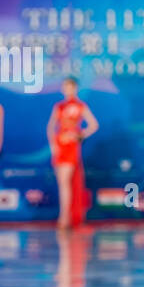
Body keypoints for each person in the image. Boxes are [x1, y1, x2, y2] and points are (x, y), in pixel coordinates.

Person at [47, 76, 97, 229]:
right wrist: (53, 146)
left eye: (71, 87)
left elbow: (93, 125)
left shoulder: (81, 106)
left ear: (75, 88)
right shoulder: (59, 107)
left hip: (71, 148)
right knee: (62, 182)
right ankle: (65, 217)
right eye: (65, 87)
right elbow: (50, 127)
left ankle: (65, 218)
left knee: (65, 183)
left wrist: (79, 135)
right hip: (60, 147)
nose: (68, 90)